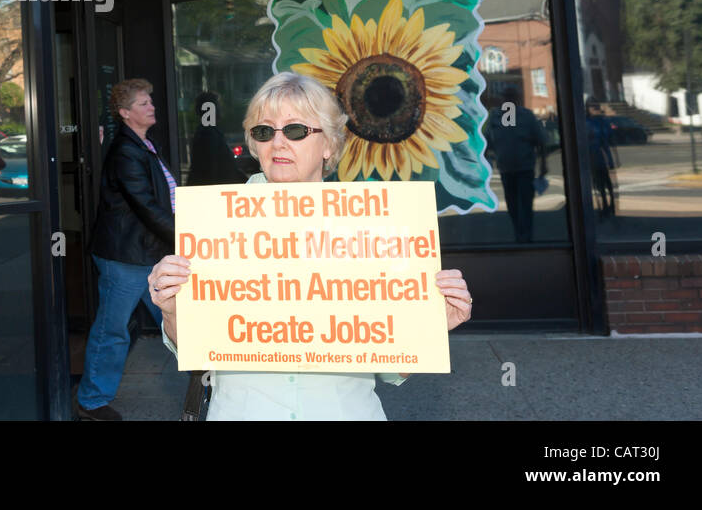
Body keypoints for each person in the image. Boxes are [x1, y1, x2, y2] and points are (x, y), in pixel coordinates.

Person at [149, 71, 474, 420]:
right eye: (263, 131)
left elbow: (394, 368)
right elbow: (195, 348)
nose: (278, 142)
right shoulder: (213, 228)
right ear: (254, 145)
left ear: (330, 144)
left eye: (295, 130)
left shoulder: (370, 227)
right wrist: (171, 309)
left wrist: (429, 326)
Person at [75, 78, 177, 421]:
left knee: (181, 318)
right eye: (144, 103)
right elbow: (146, 206)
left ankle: (213, 383)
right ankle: (91, 401)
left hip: (148, 251)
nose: (152, 106)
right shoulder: (125, 152)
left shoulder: (145, 145)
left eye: (151, 101)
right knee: (113, 329)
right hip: (126, 256)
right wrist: (185, 236)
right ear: (125, 113)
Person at [486, 85, 547, 243]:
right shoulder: (495, 117)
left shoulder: (526, 116)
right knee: (512, 203)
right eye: (506, 97)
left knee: (526, 204)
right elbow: (487, 141)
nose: (508, 100)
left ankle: (526, 236)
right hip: (506, 168)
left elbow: (540, 141)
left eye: (511, 97)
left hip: (524, 168)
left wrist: (544, 164)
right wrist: (486, 159)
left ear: (516, 99)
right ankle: (518, 233)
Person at [187, 90, 244, 186]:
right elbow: (210, 171)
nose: (221, 109)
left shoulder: (207, 131)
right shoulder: (208, 133)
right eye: (218, 105)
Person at [584, 100, 618, 218]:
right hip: (594, 155)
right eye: (592, 107)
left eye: (596, 106)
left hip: (601, 155)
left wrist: (615, 158)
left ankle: (611, 203)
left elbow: (611, 140)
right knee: (600, 181)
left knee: (606, 181)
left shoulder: (602, 121)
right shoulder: (588, 122)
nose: (595, 109)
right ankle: (605, 204)